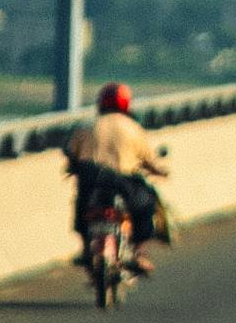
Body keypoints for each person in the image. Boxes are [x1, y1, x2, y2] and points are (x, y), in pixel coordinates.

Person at [64, 82, 173, 274]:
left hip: (91, 182)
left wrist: (74, 168)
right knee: (146, 206)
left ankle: (85, 249)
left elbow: (72, 153)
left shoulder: (87, 125)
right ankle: (138, 252)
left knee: (82, 208)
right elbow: (147, 159)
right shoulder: (132, 127)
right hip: (123, 182)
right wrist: (160, 171)